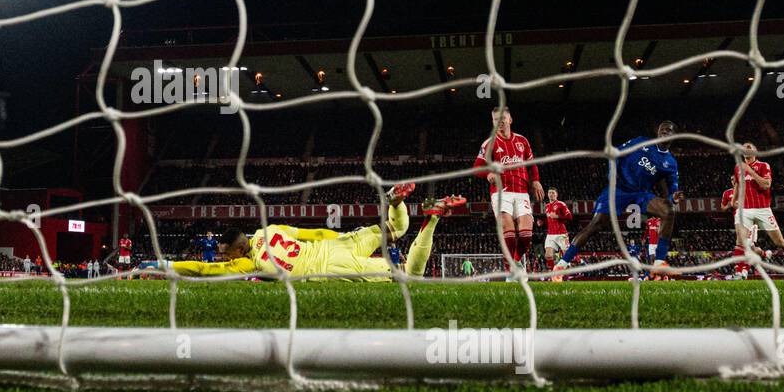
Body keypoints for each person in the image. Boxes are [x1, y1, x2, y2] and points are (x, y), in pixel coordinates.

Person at [166, 183, 466, 281]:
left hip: (332, 267)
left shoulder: (251, 262)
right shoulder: (271, 229)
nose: (226, 257)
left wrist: (166, 265)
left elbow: (205, 270)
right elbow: (311, 234)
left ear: (238, 249)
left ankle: (432, 221)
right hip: (336, 243)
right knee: (397, 227)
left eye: (227, 252)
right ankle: (396, 202)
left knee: (408, 274)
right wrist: (342, 238)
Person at [554, 120, 683, 276]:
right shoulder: (641, 141)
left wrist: (674, 196)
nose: (665, 131)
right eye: (662, 128)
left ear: (675, 135)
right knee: (595, 225)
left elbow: (672, 190)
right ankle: (561, 265)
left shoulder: (671, 163)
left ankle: (659, 262)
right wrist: (612, 174)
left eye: (669, 129)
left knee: (668, 210)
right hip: (619, 189)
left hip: (641, 193)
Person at [473, 108, 543, 268]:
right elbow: (477, 167)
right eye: (496, 119)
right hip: (501, 192)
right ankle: (510, 270)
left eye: (503, 119)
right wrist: (488, 174)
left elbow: (531, 164)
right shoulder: (489, 143)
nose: (500, 122)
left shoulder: (522, 141)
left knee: (526, 236)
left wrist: (536, 181)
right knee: (509, 232)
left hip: (522, 192)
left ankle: (514, 263)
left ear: (510, 120)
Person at [732, 143, 784, 269]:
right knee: (741, 241)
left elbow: (766, 185)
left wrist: (750, 171)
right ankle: (739, 272)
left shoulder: (763, 166)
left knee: (779, 242)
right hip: (745, 210)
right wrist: (733, 200)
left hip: (763, 210)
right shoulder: (737, 168)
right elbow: (737, 184)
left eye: (749, 148)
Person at [541, 188, 572, 269]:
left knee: (566, 255)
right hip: (550, 234)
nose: (551, 194)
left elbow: (569, 216)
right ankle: (552, 273)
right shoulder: (547, 206)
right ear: (547, 194)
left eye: (553, 193)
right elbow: (549, 219)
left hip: (561, 233)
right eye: (549, 193)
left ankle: (568, 273)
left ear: (556, 194)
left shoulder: (561, 204)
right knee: (548, 255)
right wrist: (542, 222)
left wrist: (558, 216)